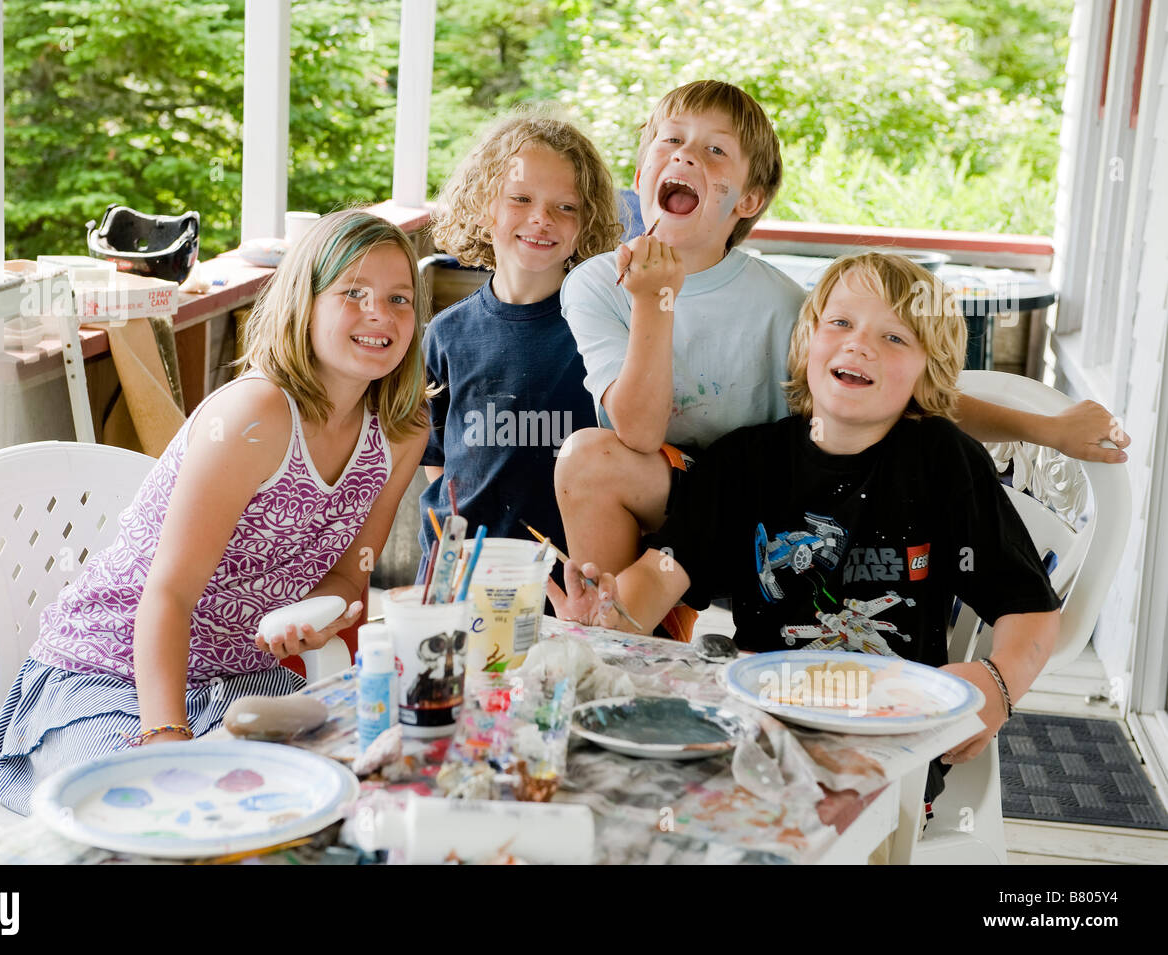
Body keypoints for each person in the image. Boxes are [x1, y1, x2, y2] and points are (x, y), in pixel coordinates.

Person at [555, 79, 1129, 641]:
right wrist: (655, 302)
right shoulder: (596, 285)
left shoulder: (782, 305)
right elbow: (637, 431)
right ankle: (614, 639)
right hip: (689, 510)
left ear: (749, 200)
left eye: (714, 149)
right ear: (640, 174)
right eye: (671, 141)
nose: (686, 155)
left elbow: (902, 396)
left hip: (780, 520)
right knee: (589, 457)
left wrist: (1048, 430)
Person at [550, 252, 1063, 807]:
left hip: (888, 740)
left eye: (894, 339)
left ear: (926, 372)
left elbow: (1029, 605)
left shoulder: (943, 462)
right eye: (840, 323)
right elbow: (663, 573)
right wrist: (606, 620)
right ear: (807, 342)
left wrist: (1000, 685)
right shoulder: (745, 462)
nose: (859, 344)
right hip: (756, 725)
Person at [0, 210, 431, 814]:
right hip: (110, 675)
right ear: (304, 304)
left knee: (353, 783)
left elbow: (354, 573)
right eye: (354, 293)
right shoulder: (254, 415)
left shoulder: (400, 433)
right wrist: (165, 738)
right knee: (153, 809)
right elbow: (167, 596)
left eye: (400, 298)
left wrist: (314, 615)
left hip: (239, 678)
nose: (381, 313)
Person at [417, 112, 621, 570]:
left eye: (565, 206)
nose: (541, 219)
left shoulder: (600, 331)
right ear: (483, 207)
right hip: (460, 576)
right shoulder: (446, 334)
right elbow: (439, 462)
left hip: (563, 583)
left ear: (586, 221)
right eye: (521, 198)